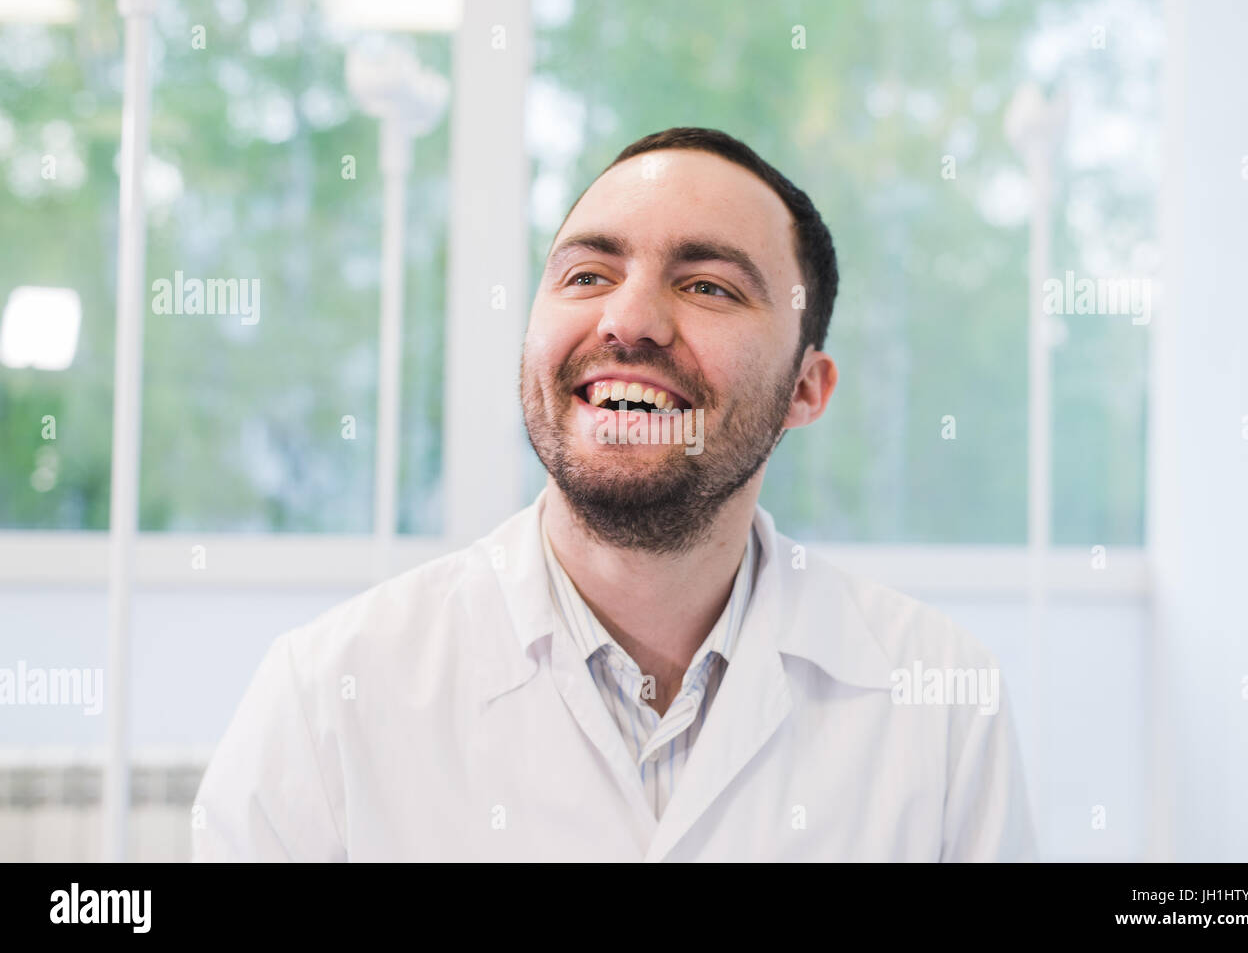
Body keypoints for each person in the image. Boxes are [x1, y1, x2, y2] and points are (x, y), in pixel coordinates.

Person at [192, 126, 1038, 862]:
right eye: (588, 275)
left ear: (805, 390)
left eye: (708, 285)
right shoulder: (326, 694)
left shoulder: (942, 699)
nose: (628, 321)